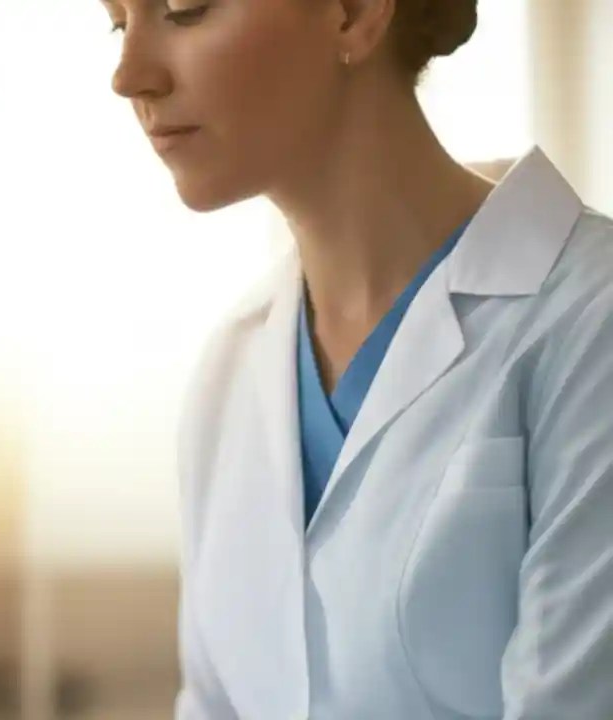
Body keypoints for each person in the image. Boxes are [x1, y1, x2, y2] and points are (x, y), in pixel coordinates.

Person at [98, 0, 613, 718]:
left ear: (354, 13)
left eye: (184, 9)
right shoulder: (231, 369)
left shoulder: (588, 320)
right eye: (118, 23)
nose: (128, 76)